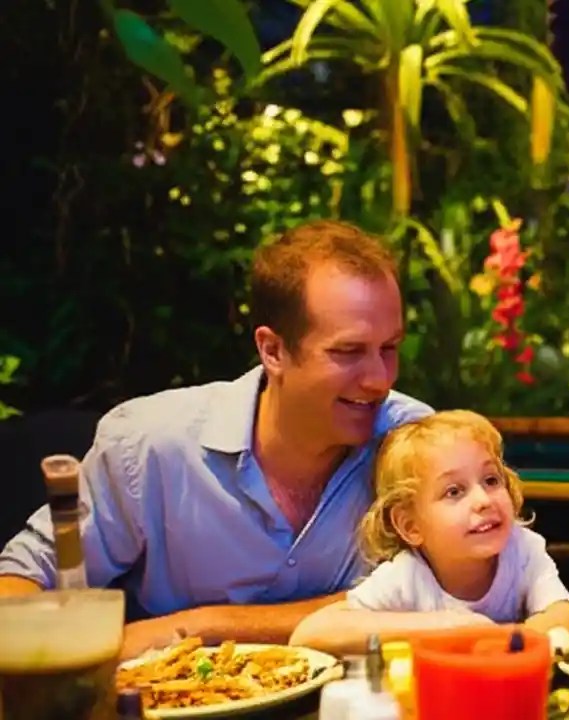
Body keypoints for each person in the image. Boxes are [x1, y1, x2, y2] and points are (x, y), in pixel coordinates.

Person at [0, 219, 433, 658]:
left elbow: (457, 594)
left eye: (390, 348)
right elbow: (18, 583)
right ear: (274, 351)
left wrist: (199, 626)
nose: (380, 379)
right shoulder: (149, 446)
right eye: (348, 352)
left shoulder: (418, 444)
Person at [289, 410, 569, 654]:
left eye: (491, 480)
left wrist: (506, 643)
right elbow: (309, 635)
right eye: (454, 491)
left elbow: (561, 616)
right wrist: (449, 626)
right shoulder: (405, 576)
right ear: (410, 526)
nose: (483, 500)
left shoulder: (522, 550)